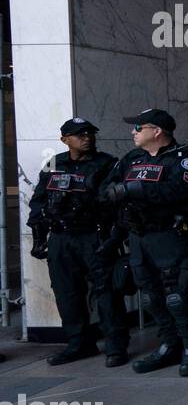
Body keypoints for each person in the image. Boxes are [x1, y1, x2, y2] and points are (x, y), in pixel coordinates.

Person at [101, 108, 188, 376]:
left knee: (179, 296)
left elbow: (182, 190)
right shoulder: (132, 159)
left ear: (157, 131)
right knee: (150, 297)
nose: (133, 132)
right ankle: (168, 345)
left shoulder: (184, 157)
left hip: (169, 236)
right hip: (138, 236)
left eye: (139, 128)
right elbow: (108, 188)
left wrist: (134, 190)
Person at [27, 117, 128, 367]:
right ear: (64, 140)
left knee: (106, 293)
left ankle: (116, 346)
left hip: (94, 235)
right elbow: (38, 201)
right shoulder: (54, 163)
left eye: (89, 133)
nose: (86, 137)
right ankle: (79, 343)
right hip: (61, 238)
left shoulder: (108, 164)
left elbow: (114, 203)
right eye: (79, 134)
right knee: (66, 292)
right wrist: (39, 237)